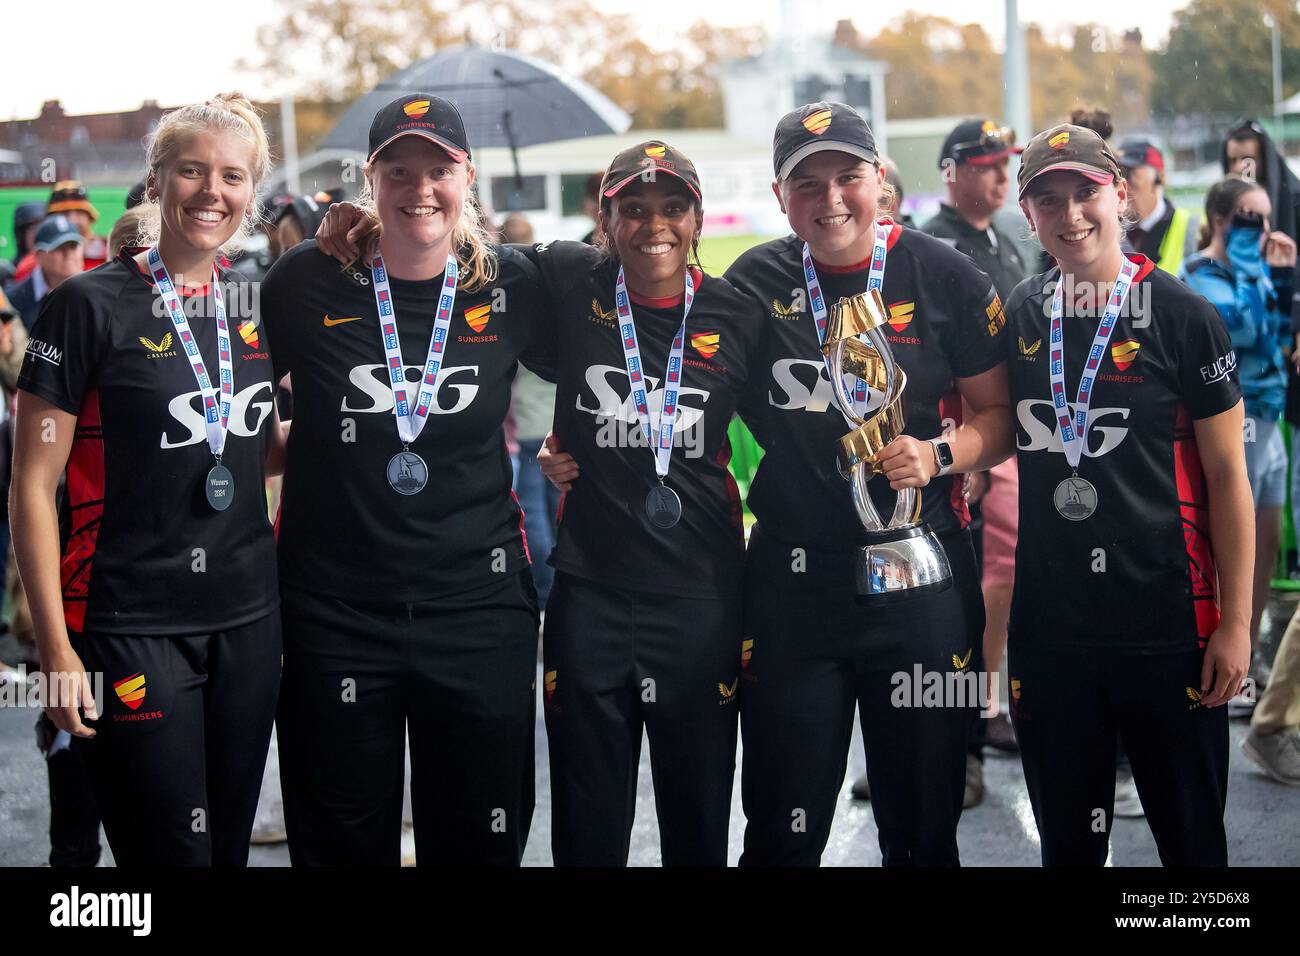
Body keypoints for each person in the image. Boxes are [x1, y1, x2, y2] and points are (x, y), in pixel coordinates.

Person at [322, 137, 768, 868]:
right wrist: (364, 219)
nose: (654, 223)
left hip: (700, 598)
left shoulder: (739, 313)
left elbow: (795, 434)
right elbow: (446, 237)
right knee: (588, 825)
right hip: (589, 593)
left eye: (673, 207)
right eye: (633, 207)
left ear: (697, 217)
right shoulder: (565, 277)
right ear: (604, 214)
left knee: (697, 817)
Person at [722, 102, 1013, 865]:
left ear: (880, 180)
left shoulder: (943, 272)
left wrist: (944, 455)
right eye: (807, 184)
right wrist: (575, 450)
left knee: (922, 830)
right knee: (783, 832)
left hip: (923, 588)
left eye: (848, 176)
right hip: (793, 593)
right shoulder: (754, 282)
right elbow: (690, 398)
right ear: (781, 197)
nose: (831, 200)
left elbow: (999, 418)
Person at [264, 93, 548, 867]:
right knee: (340, 840)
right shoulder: (303, 282)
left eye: (437, 169)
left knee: (480, 837)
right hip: (335, 610)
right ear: (370, 179)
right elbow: (242, 409)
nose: (418, 188)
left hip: (477, 605)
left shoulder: (516, 283)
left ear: (468, 176)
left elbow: (617, 337)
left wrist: (572, 451)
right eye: (398, 170)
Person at [10, 92, 285, 866]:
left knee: (224, 852)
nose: (211, 192)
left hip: (247, 620)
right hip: (129, 626)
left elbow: (249, 447)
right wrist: (57, 657)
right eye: (191, 170)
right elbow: (32, 484)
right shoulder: (85, 307)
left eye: (232, 176)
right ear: (157, 179)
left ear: (251, 191)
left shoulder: (256, 303)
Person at [1006, 124, 1253, 866]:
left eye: (1086, 191)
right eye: (1048, 199)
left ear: (1122, 195)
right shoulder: (1021, 312)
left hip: (1167, 625)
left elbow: (1228, 479)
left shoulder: (1181, 316)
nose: (1070, 213)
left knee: (1192, 850)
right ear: (1028, 215)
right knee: (1069, 851)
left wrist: (1236, 625)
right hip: (1053, 634)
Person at [923, 117, 1032, 783]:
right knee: (980, 586)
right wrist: (970, 454)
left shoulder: (1006, 239)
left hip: (1009, 438)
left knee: (1002, 580)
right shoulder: (934, 246)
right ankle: (972, 721)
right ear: (951, 171)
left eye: (1005, 164)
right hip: (965, 448)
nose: (1000, 175)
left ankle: (981, 711)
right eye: (987, 163)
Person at [1181, 177, 1295, 709]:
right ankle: (1222, 657)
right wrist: (1259, 272)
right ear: (1221, 220)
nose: (1263, 230)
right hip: (1236, 420)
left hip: (1270, 418)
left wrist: (1285, 282)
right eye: (1251, 218)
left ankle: (1244, 652)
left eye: (1267, 218)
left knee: (1263, 546)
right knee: (1232, 540)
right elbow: (1243, 331)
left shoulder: (1253, 271)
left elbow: (1280, 334)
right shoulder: (1202, 274)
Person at [1116, 141, 1197, 275]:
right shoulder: (1109, 232)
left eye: (1127, 174)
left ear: (1161, 177)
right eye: (1116, 175)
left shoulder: (1193, 231)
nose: (1121, 187)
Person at [11, 182, 108, 282]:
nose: (72, 220)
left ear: (90, 218)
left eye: (79, 213)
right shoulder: (32, 265)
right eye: (64, 213)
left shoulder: (110, 255)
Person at [5, 216, 86, 331]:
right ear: (39, 256)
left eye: (73, 246)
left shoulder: (99, 294)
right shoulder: (12, 300)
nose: (68, 254)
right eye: (60, 247)